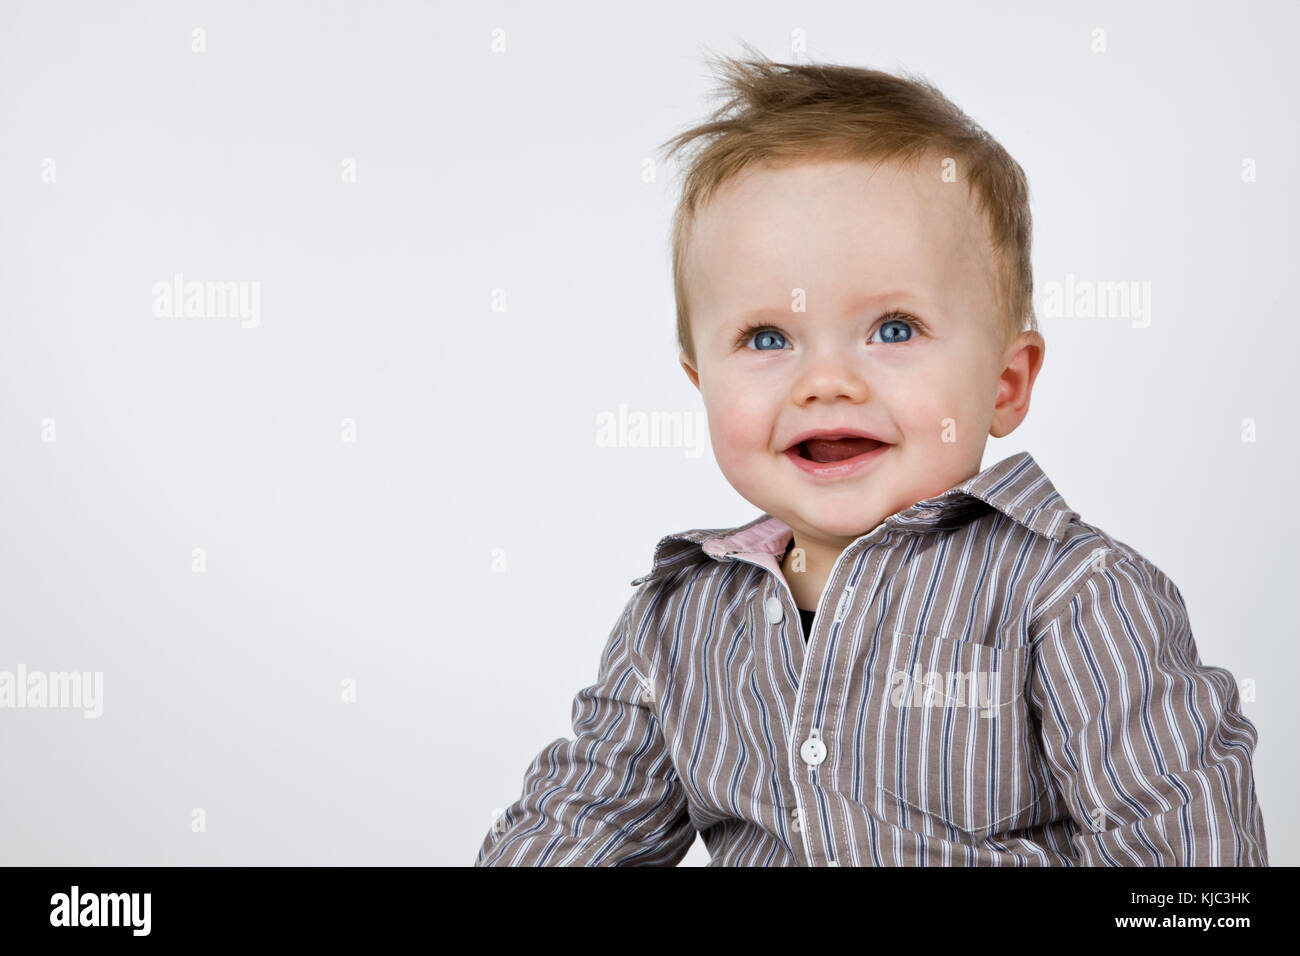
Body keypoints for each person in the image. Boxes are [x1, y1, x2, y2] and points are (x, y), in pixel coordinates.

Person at [474, 46, 1268, 866]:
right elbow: (574, 830)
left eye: (893, 330)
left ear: (1004, 383)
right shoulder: (677, 624)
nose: (825, 381)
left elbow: (1196, 877)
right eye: (766, 337)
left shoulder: (1073, 598)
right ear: (700, 382)